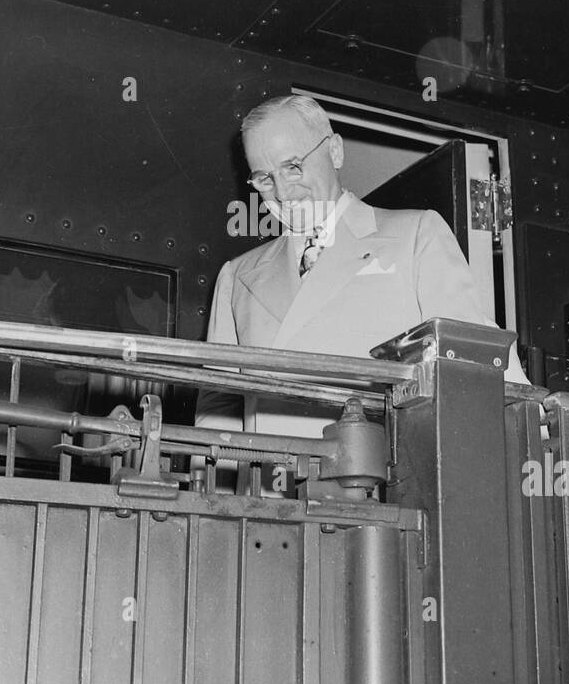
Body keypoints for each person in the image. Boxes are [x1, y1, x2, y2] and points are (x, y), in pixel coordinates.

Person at [196, 94, 529, 439]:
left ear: (335, 151)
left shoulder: (415, 234)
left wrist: (538, 443)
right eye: (264, 179)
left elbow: (476, 361)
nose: (281, 191)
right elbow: (218, 416)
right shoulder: (237, 276)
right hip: (267, 485)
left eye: (293, 167)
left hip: (374, 480)